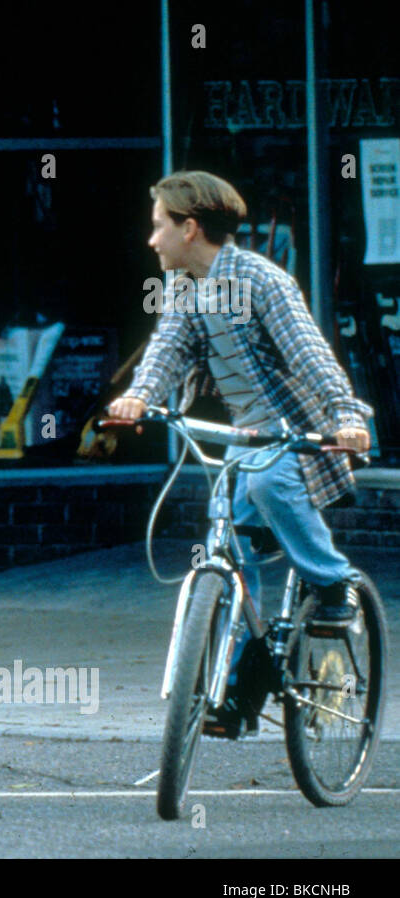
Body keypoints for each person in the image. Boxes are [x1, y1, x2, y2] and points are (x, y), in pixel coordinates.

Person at [108, 170, 373, 737]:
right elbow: (168, 350)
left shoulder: (260, 280)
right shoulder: (188, 289)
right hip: (246, 438)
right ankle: (237, 691)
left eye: (159, 227)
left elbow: (310, 355)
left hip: (295, 434)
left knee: (267, 486)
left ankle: (332, 584)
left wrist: (347, 417)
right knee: (225, 555)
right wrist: (137, 397)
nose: (152, 240)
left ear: (191, 227)